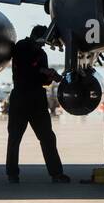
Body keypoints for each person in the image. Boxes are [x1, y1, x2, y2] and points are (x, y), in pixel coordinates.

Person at [6, 25, 69, 184]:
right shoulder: (21, 46)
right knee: (14, 137)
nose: (44, 44)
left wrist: (50, 77)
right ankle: (12, 173)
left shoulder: (42, 53)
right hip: (21, 95)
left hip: (37, 97)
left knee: (47, 137)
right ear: (37, 37)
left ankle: (56, 173)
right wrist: (43, 71)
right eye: (43, 40)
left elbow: (42, 80)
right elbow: (24, 67)